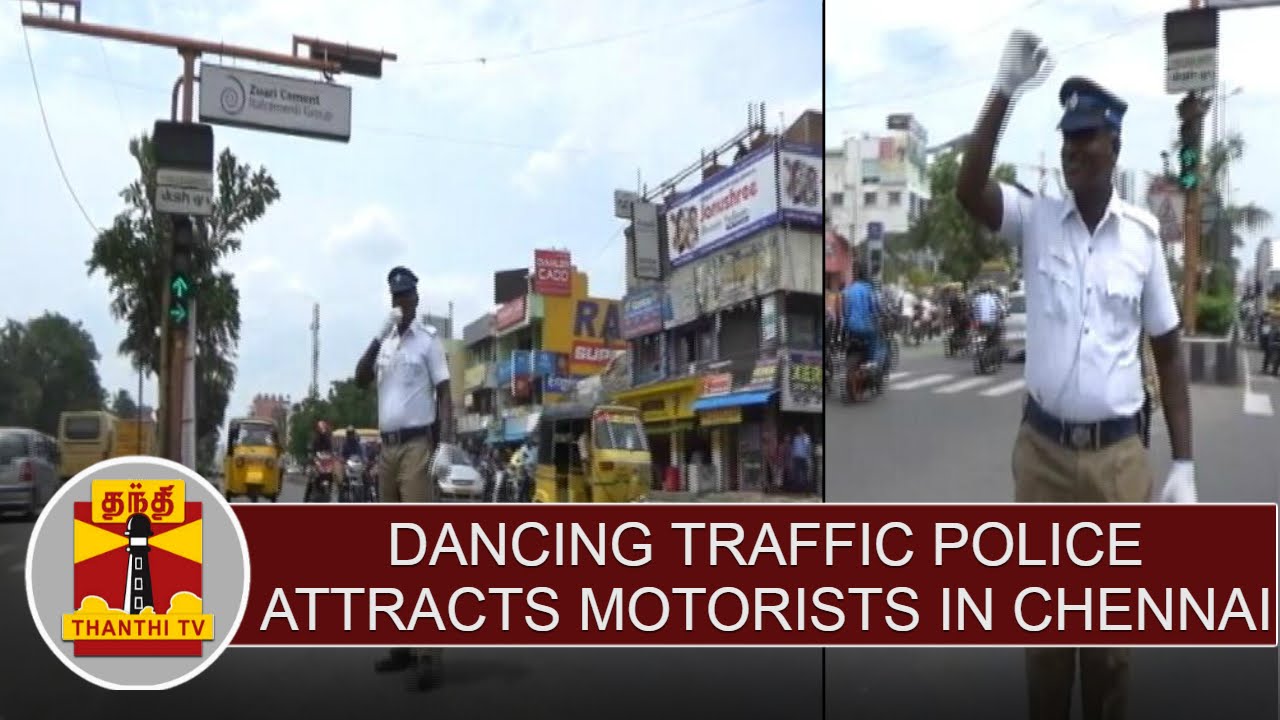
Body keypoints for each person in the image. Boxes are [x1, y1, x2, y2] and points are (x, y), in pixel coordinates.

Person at [954, 30, 1195, 720]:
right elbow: (969, 189)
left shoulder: (1143, 241)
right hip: (1045, 460)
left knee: (1112, 647)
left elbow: (1171, 352)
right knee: (1049, 642)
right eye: (1066, 137)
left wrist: (1184, 464)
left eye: (1087, 136)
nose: (1073, 149)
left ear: (1114, 148)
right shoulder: (1034, 221)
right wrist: (1003, 90)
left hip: (1119, 463)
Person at [353, 265, 453, 690]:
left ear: (417, 298)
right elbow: (359, 379)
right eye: (396, 299)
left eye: (407, 298)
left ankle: (427, 652)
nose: (402, 305)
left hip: (416, 446)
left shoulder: (428, 343)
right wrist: (379, 334)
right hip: (386, 449)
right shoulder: (386, 344)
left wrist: (445, 443)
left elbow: (445, 394)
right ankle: (400, 646)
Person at [842, 265, 882, 369]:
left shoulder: (847, 290)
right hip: (864, 327)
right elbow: (875, 308)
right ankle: (871, 363)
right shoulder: (869, 290)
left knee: (847, 342)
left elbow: (844, 309)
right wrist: (878, 315)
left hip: (848, 327)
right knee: (874, 338)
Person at [972, 282, 1004, 353]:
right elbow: (1001, 309)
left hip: (980, 323)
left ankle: (981, 345)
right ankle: (995, 347)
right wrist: (1001, 315)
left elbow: (973, 310)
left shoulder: (977, 298)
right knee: (999, 330)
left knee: (979, 332)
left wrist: (976, 319)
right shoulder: (995, 297)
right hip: (992, 323)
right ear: (990, 290)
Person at [789, 426, 812, 493]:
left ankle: (806, 489)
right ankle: (797, 489)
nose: (800, 431)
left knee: (805, 474)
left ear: (803, 430)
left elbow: (808, 448)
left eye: (801, 430)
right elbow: (794, 448)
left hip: (804, 458)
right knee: (796, 473)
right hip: (796, 458)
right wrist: (792, 457)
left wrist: (808, 458)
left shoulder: (806, 438)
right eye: (799, 430)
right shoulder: (796, 438)